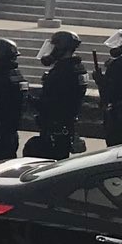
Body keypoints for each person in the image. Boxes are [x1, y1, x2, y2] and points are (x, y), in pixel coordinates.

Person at [26, 31, 88, 160]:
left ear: (61, 48)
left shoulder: (64, 71)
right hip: (66, 125)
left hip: (56, 125)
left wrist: (29, 99)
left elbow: (54, 103)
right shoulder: (77, 67)